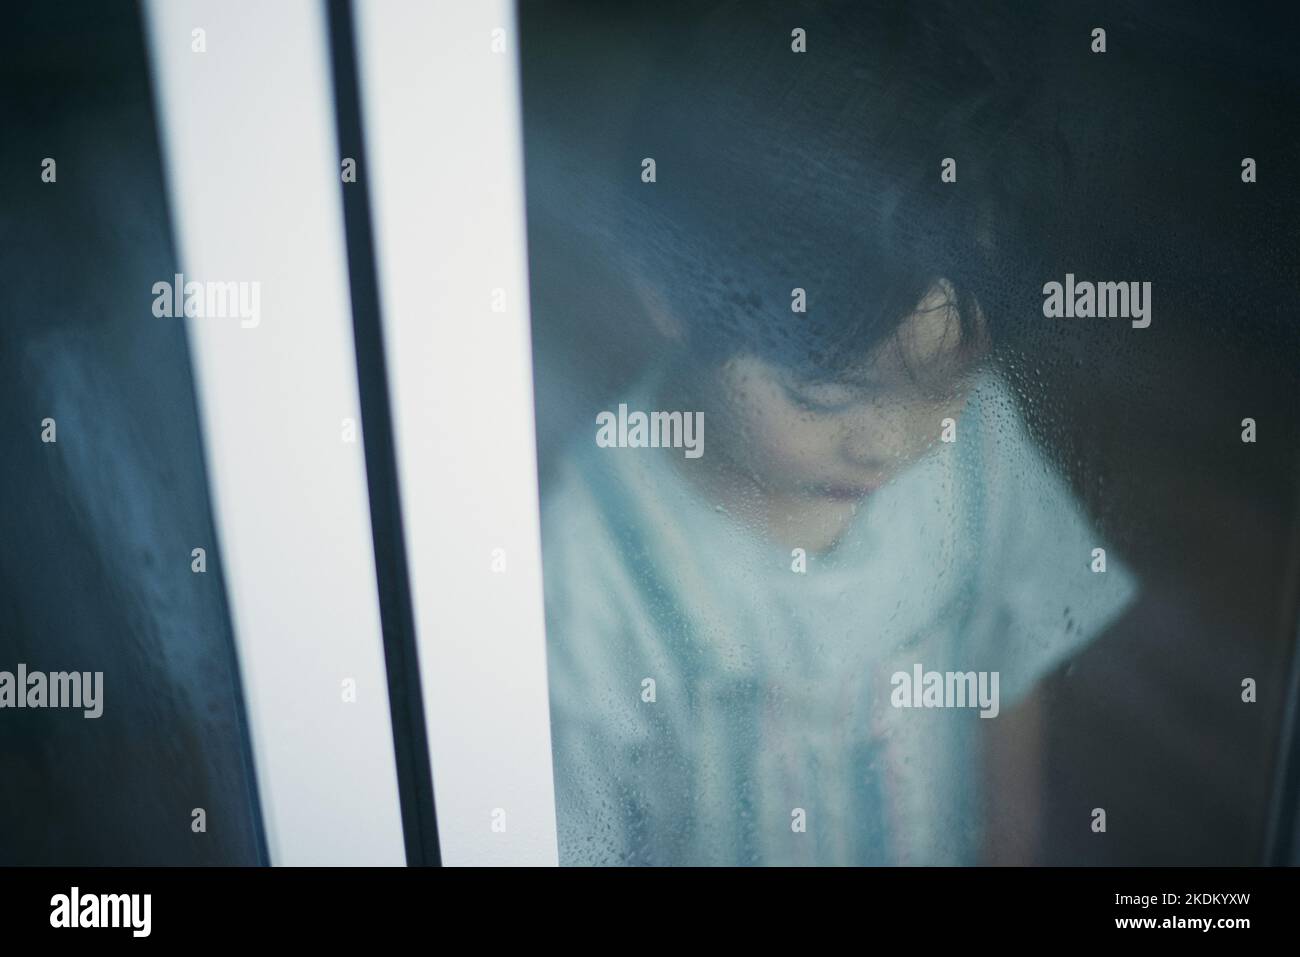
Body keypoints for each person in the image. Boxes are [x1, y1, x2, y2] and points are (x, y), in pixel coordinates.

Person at [533, 0, 1138, 865]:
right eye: (825, 393)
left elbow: (1011, 669)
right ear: (670, 289)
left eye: (947, 384)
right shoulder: (599, 572)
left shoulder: (978, 447)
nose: (889, 443)